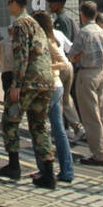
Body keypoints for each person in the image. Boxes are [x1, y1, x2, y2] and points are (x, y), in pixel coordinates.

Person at [0, 0, 55, 186]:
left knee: (10, 120)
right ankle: (49, 174)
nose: (8, 7)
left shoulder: (20, 24)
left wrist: (16, 85)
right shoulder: (36, 24)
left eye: (9, 3)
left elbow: (22, 56)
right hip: (45, 81)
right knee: (40, 125)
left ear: (16, 4)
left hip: (28, 80)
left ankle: (14, 166)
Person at [67, 0, 103, 165]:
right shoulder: (101, 31)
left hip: (87, 74)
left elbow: (72, 54)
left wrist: (77, 56)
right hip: (101, 72)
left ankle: (98, 154)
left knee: (91, 116)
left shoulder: (84, 32)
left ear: (82, 14)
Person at [33, 10, 74, 184]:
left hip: (49, 86)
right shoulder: (49, 39)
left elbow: (64, 63)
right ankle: (65, 170)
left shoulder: (47, 41)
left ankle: (49, 169)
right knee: (56, 129)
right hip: (55, 86)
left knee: (42, 128)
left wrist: (46, 67)